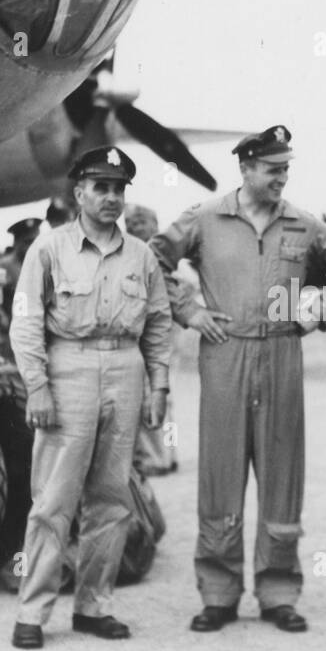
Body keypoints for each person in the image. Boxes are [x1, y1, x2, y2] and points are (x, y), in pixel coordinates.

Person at [150, 125, 326, 633]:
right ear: (245, 169)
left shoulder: (304, 224)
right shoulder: (205, 218)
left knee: (282, 474)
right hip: (225, 353)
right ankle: (219, 593)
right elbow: (154, 259)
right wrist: (189, 311)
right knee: (221, 475)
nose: (281, 179)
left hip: (281, 353)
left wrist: (313, 315)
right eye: (273, 169)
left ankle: (278, 591)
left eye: (286, 169)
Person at [8, 146, 171, 650]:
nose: (111, 198)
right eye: (100, 187)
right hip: (69, 368)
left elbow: (160, 324)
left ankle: (94, 606)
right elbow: (27, 321)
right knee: (54, 500)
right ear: (78, 193)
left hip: (125, 369)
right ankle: (32, 612)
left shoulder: (141, 256)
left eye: (119, 189)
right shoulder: (48, 250)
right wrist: (37, 386)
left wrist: (159, 385)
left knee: (112, 499)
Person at [125, 203, 178, 477]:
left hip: (153, 340)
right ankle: (167, 455)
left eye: (139, 222)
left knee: (151, 398)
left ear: (154, 225)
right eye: (130, 222)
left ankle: (157, 458)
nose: (132, 227)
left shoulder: (154, 255)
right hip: (150, 339)